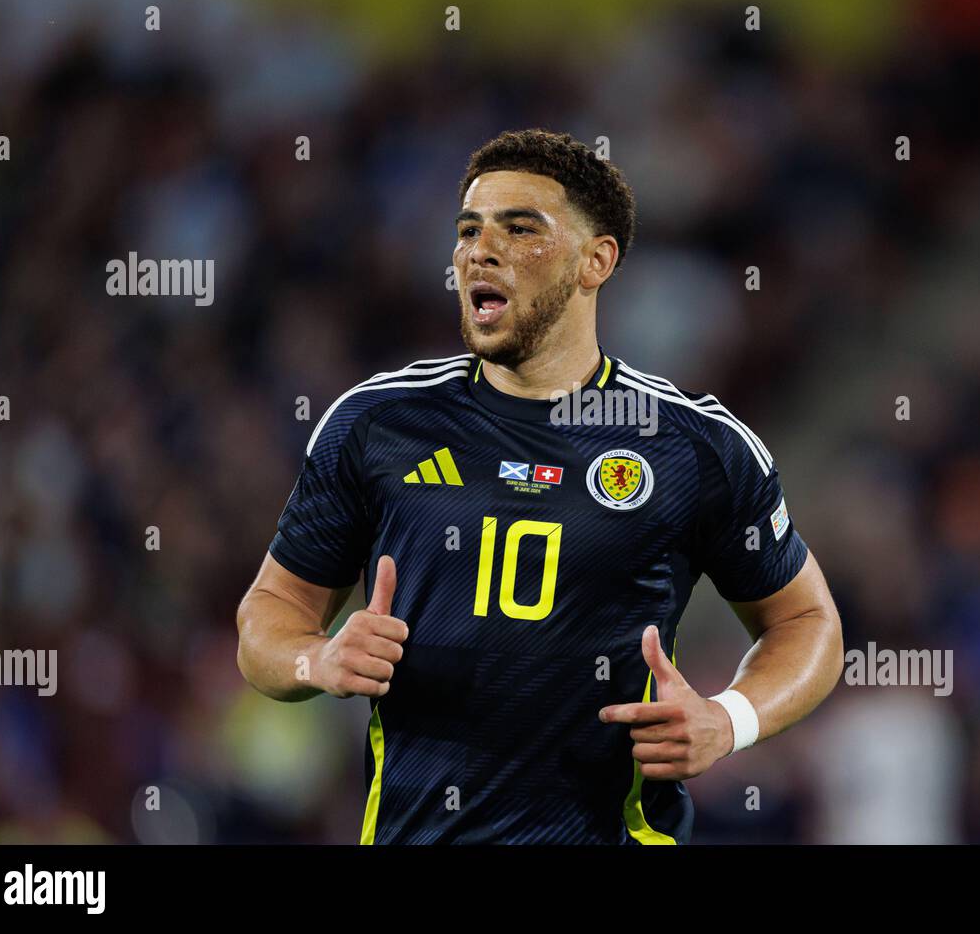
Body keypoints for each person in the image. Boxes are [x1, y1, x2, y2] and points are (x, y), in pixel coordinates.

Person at [236, 128, 844, 844]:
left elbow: (809, 625)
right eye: (467, 230)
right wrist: (320, 656)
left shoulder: (693, 444)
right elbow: (269, 616)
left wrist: (729, 719)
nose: (478, 251)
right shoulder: (377, 423)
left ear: (597, 260)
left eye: (519, 228)